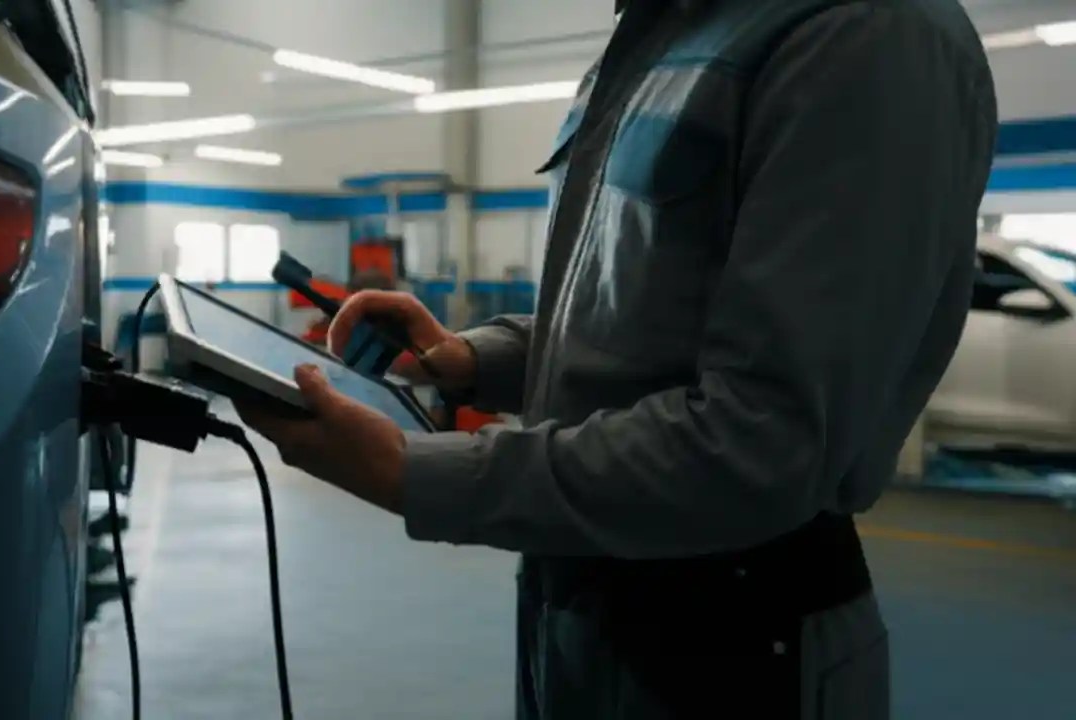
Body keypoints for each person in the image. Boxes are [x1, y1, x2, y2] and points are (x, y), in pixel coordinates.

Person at [237, 0, 998, 717]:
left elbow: (763, 443)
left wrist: (415, 472)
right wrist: (464, 359)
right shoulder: (657, 38)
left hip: (736, 639)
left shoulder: (862, 35)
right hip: (577, 604)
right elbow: (628, 317)